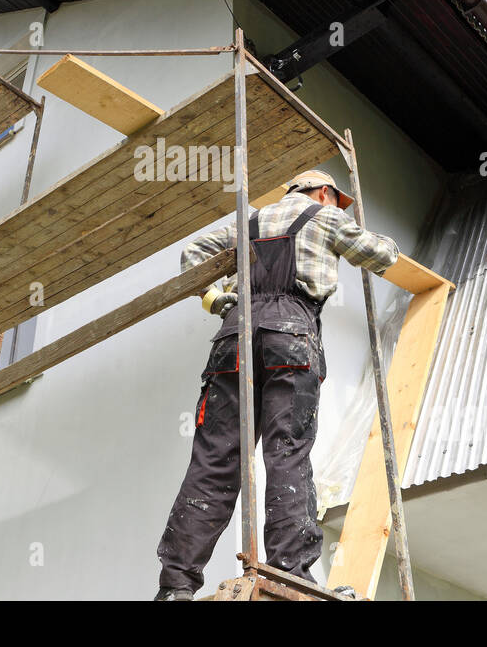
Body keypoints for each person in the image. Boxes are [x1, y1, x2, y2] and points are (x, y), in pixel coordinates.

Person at [154, 170, 401, 600]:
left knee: (213, 461)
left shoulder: (245, 223)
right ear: (324, 193)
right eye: (334, 200)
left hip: (233, 338)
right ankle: (290, 573)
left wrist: (215, 299)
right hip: (292, 338)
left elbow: (192, 253)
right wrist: (382, 240)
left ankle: (175, 587)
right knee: (287, 452)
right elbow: (381, 256)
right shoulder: (326, 217)